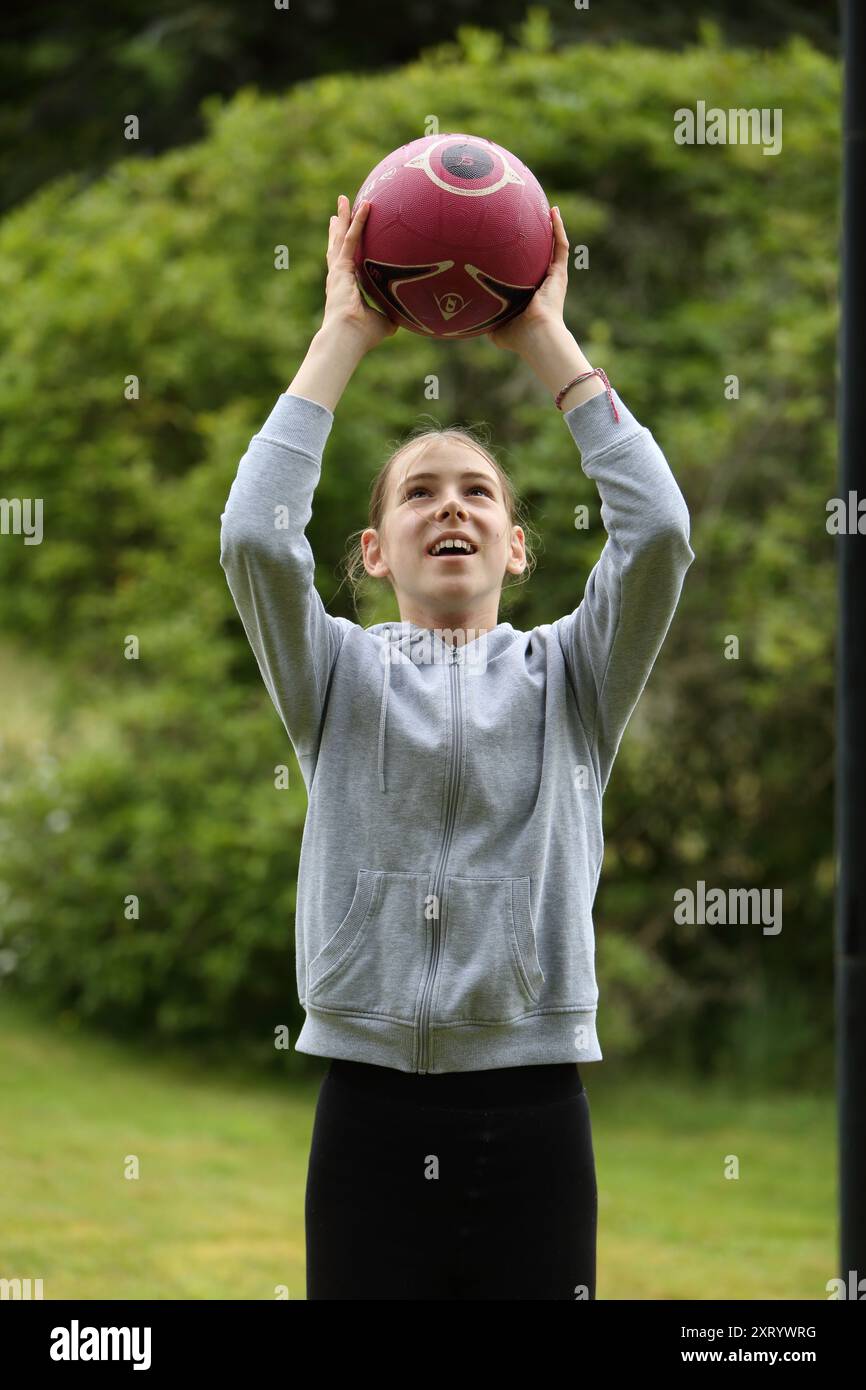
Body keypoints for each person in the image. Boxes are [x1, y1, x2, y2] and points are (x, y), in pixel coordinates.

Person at [219, 193, 695, 1299]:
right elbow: (251, 533)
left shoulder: (573, 677)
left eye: (476, 492)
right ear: (374, 550)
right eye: (419, 494)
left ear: (516, 545)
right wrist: (344, 330)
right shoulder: (332, 675)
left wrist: (541, 337)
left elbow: (660, 532)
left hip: (534, 1109)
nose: (452, 509)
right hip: (366, 1103)